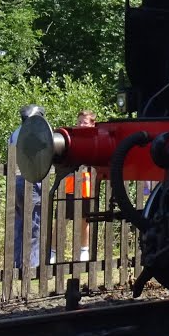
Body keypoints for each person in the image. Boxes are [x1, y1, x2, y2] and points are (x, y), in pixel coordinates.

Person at [10, 105, 43, 270]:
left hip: (17, 180)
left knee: (19, 223)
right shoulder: (34, 134)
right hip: (31, 181)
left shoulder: (16, 133)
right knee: (34, 225)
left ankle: (17, 263)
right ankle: (31, 265)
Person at [62, 110, 97, 261]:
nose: (81, 124)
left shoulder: (95, 140)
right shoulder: (72, 138)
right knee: (61, 220)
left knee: (85, 220)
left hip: (86, 188)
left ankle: (84, 250)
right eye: (79, 121)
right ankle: (53, 252)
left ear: (92, 124)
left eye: (85, 122)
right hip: (69, 186)